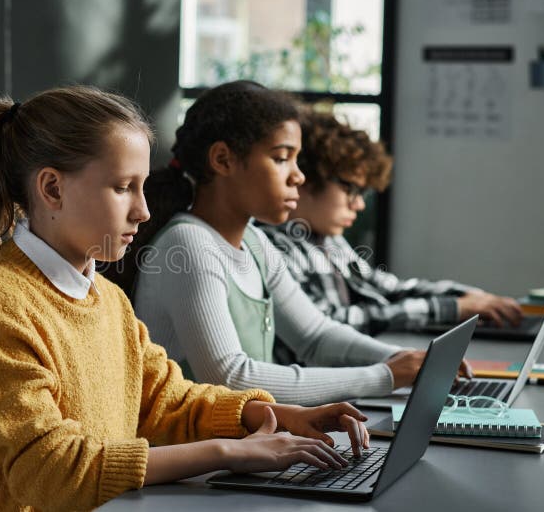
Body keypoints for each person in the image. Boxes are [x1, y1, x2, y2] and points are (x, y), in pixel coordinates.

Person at [0, 86, 374, 511]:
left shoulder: (106, 299)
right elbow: (53, 471)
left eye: (141, 186)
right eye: (122, 188)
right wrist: (229, 452)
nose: (144, 210)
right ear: (52, 188)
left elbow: (164, 401)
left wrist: (274, 414)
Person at [127, 81, 471, 407]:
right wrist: (386, 376)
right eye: (281, 158)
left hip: (241, 442)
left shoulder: (254, 242)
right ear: (223, 160)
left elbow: (315, 336)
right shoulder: (189, 245)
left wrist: (402, 359)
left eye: (296, 159)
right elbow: (231, 378)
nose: (298, 176)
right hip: (191, 450)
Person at [258, 109, 523, 339]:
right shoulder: (274, 246)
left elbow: (389, 288)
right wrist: (453, 309)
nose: (358, 204)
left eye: (363, 194)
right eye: (351, 189)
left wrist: (473, 298)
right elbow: (329, 324)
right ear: (308, 180)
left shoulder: (328, 241)